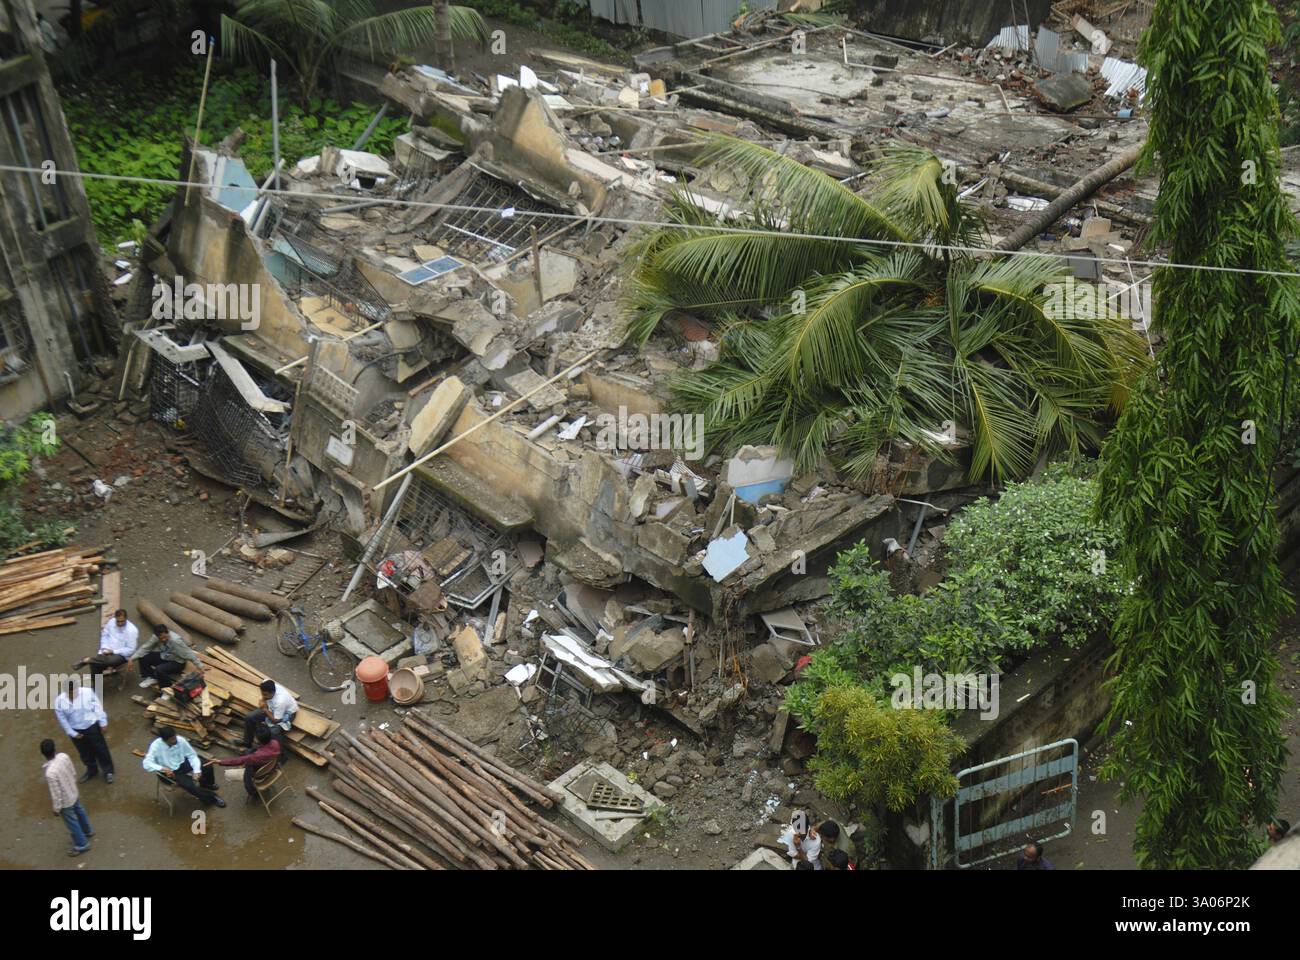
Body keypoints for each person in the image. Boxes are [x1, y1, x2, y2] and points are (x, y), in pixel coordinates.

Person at [143, 725, 225, 808]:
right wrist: (162, 768)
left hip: (181, 763)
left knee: (207, 765)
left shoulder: (180, 740)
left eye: (175, 737)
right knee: (190, 786)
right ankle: (212, 798)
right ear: (164, 740)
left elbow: (192, 755)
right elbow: (146, 763)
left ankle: (207, 785)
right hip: (170, 771)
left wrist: (197, 770)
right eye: (172, 739)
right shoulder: (156, 746)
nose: (175, 740)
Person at [53, 679, 114, 784]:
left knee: (101, 749)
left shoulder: (87, 692)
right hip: (76, 730)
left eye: (74, 692)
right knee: (84, 752)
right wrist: (72, 733)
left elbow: (97, 707)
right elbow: (62, 719)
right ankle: (92, 770)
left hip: (91, 726)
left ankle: (108, 771)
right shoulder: (59, 701)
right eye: (70, 693)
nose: (72, 694)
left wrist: (103, 722)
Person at [41, 739, 93, 857]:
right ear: (55, 749)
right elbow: (73, 771)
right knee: (80, 811)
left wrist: (56, 808)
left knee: (72, 822)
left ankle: (82, 844)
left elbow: (56, 794)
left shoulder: (50, 773)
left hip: (65, 802)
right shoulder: (63, 756)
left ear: (44, 754)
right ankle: (87, 830)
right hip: (73, 792)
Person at [209, 728, 281, 801]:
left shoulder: (256, 756)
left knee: (247, 773)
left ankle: (252, 791)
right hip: (272, 766)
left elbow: (238, 761)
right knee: (249, 751)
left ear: (259, 741)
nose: (254, 738)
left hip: (260, 773)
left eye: (255, 737)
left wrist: (220, 761)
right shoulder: (275, 742)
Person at [129, 623, 203, 689]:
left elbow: (188, 653)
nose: (164, 640)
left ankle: (166, 688)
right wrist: (132, 659)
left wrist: (200, 666)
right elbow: (145, 648)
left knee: (159, 669)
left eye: (165, 637)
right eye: (161, 639)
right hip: (165, 656)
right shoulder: (156, 637)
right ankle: (152, 677)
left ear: (168, 632)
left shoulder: (176, 641)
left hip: (177, 662)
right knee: (143, 657)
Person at [74, 608, 139, 680]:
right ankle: (97, 687)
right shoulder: (111, 622)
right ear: (115, 618)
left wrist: (113, 651)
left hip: (121, 654)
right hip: (107, 649)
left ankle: (88, 660)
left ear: (126, 618)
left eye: (122, 621)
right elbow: (105, 635)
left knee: (111, 661)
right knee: (95, 665)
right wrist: (104, 648)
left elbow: (131, 649)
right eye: (118, 621)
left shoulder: (132, 631)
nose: (120, 623)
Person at [241, 679, 297, 749]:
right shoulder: (266, 683)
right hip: (271, 707)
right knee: (249, 717)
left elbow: (276, 720)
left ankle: (281, 755)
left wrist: (264, 709)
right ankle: (247, 743)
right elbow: (264, 696)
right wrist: (262, 699)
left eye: (265, 695)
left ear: (273, 692)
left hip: (287, 712)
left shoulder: (280, 701)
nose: (263, 696)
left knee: (274, 731)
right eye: (262, 693)